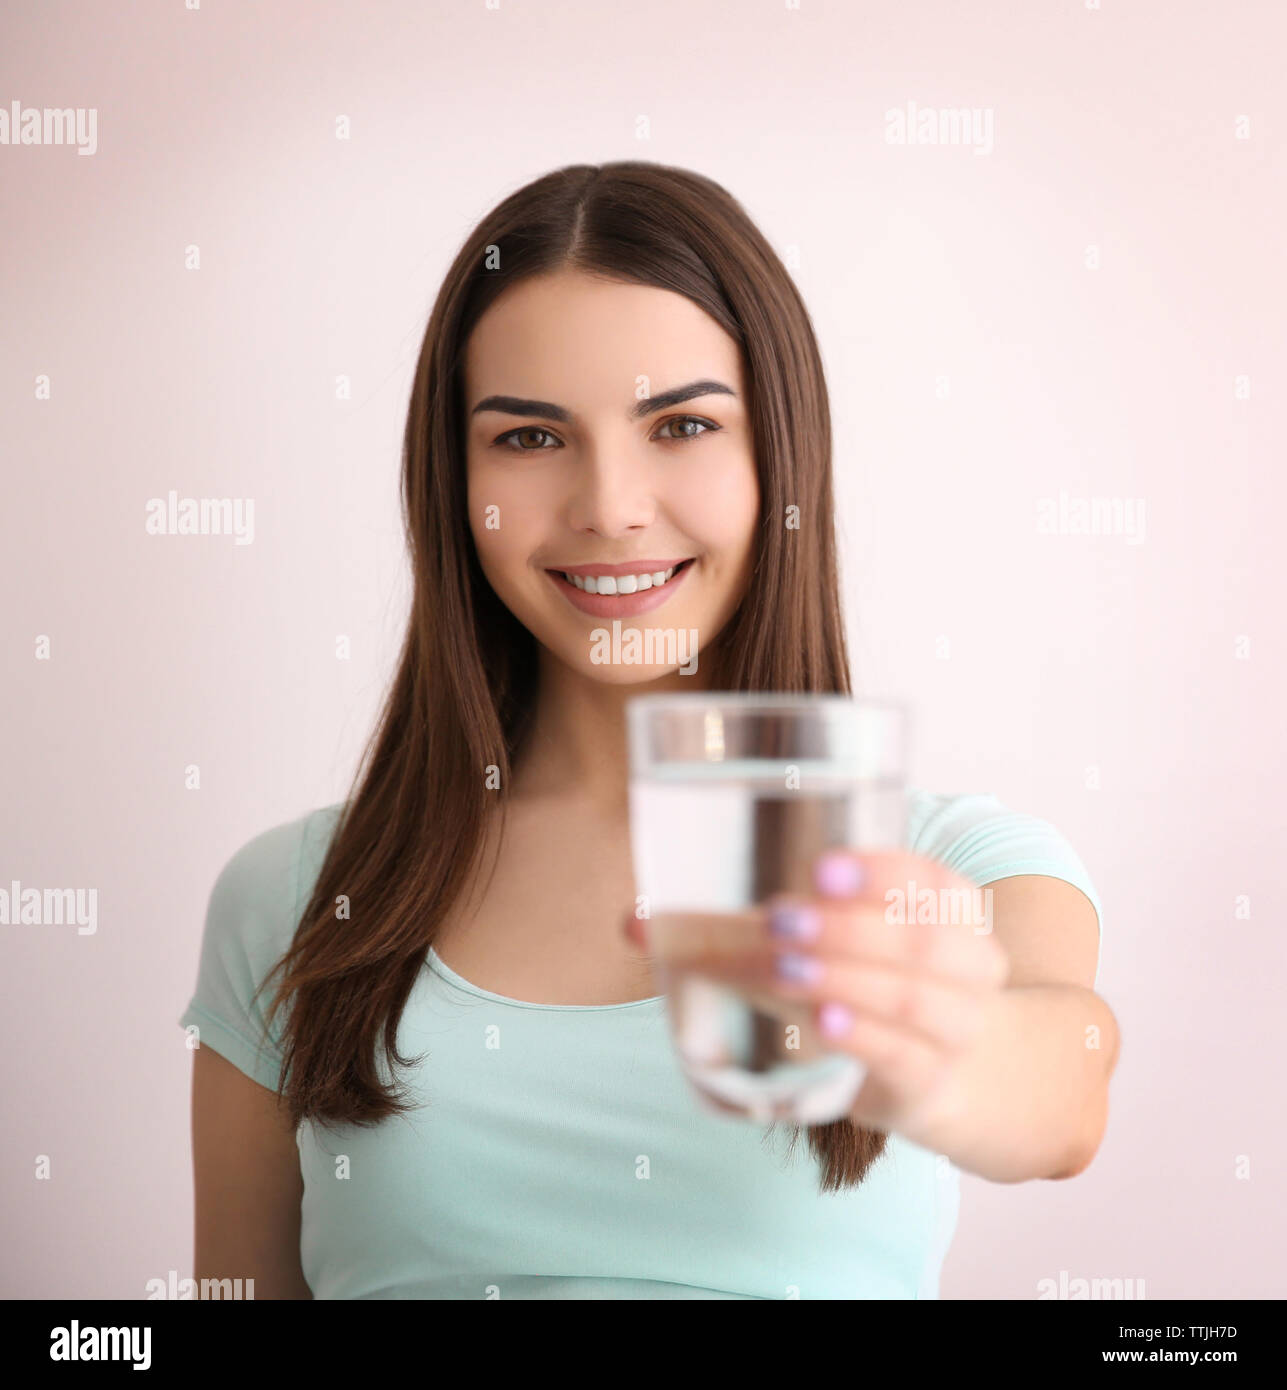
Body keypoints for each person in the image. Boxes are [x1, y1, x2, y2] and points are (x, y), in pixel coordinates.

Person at [180, 161, 1117, 1300]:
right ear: (452, 480)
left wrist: (938, 1051)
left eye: (680, 423)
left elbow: (1062, 1091)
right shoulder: (293, 897)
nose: (611, 505)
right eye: (530, 439)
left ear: (781, 453)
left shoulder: (956, 865)